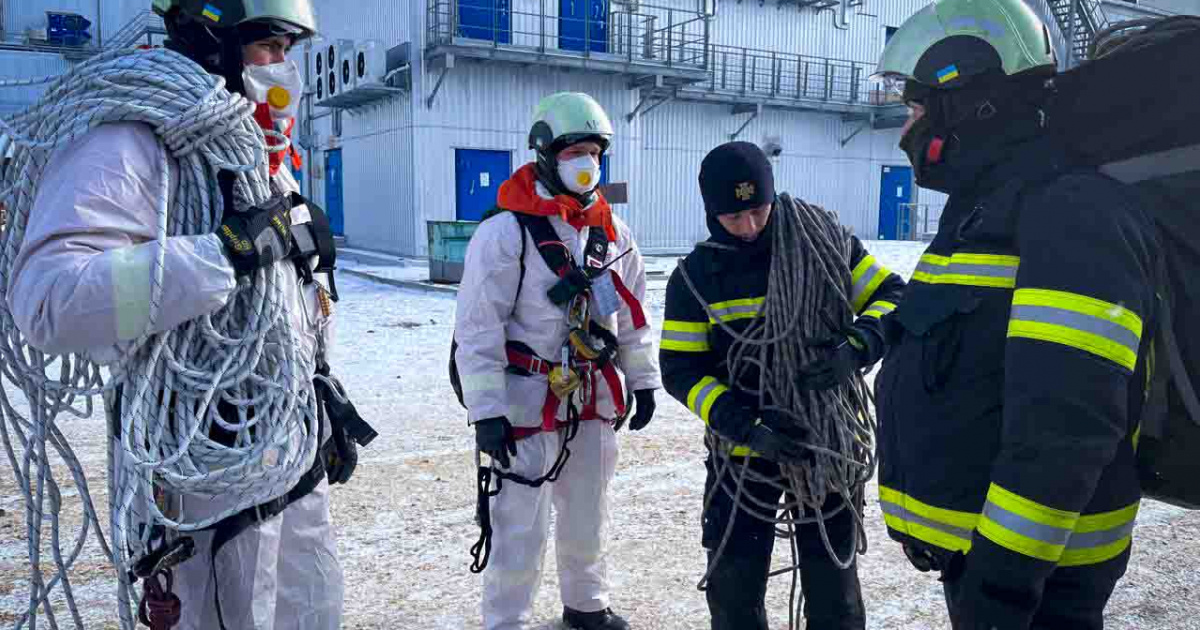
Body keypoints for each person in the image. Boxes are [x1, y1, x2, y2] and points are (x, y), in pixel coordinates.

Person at [7, 1, 353, 627]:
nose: (285, 68)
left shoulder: (256, 158)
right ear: (210, 38)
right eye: (269, 47)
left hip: (293, 453)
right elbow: (48, 299)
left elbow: (288, 308)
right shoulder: (130, 141)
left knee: (314, 610)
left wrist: (323, 403)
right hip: (204, 480)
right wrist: (222, 255)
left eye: (290, 51)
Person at [872, 1, 1156, 628]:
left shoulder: (1069, 209)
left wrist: (1002, 583)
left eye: (916, 110)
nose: (906, 132)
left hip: (1039, 579)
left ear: (970, 100)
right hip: (988, 559)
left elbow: (1066, 425)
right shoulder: (987, 209)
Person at [659, 141, 904, 630]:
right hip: (742, 453)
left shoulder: (823, 242)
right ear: (711, 212)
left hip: (822, 448)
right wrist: (744, 425)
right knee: (734, 589)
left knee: (835, 596)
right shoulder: (694, 278)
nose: (749, 227)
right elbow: (680, 371)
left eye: (758, 210)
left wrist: (856, 349)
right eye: (734, 217)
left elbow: (894, 296)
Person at [453, 92, 661, 630]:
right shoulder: (505, 233)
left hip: (591, 398)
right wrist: (486, 411)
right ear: (547, 154)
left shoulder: (614, 235)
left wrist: (642, 381)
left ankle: (586, 602)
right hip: (524, 401)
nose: (586, 162)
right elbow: (478, 328)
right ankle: (506, 619)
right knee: (518, 521)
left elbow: (633, 316)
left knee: (588, 510)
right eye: (574, 150)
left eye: (594, 150)